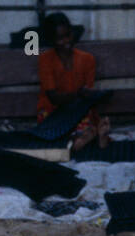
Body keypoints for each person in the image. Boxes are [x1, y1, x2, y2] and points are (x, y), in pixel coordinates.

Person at [37, 12, 110, 152]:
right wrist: (78, 94)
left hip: (78, 108)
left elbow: (87, 95)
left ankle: (85, 137)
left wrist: (90, 95)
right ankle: (83, 139)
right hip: (52, 111)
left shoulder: (87, 59)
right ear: (51, 40)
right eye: (60, 38)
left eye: (68, 35)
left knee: (84, 120)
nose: (66, 41)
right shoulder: (45, 60)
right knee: (51, 131)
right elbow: (53, 98)